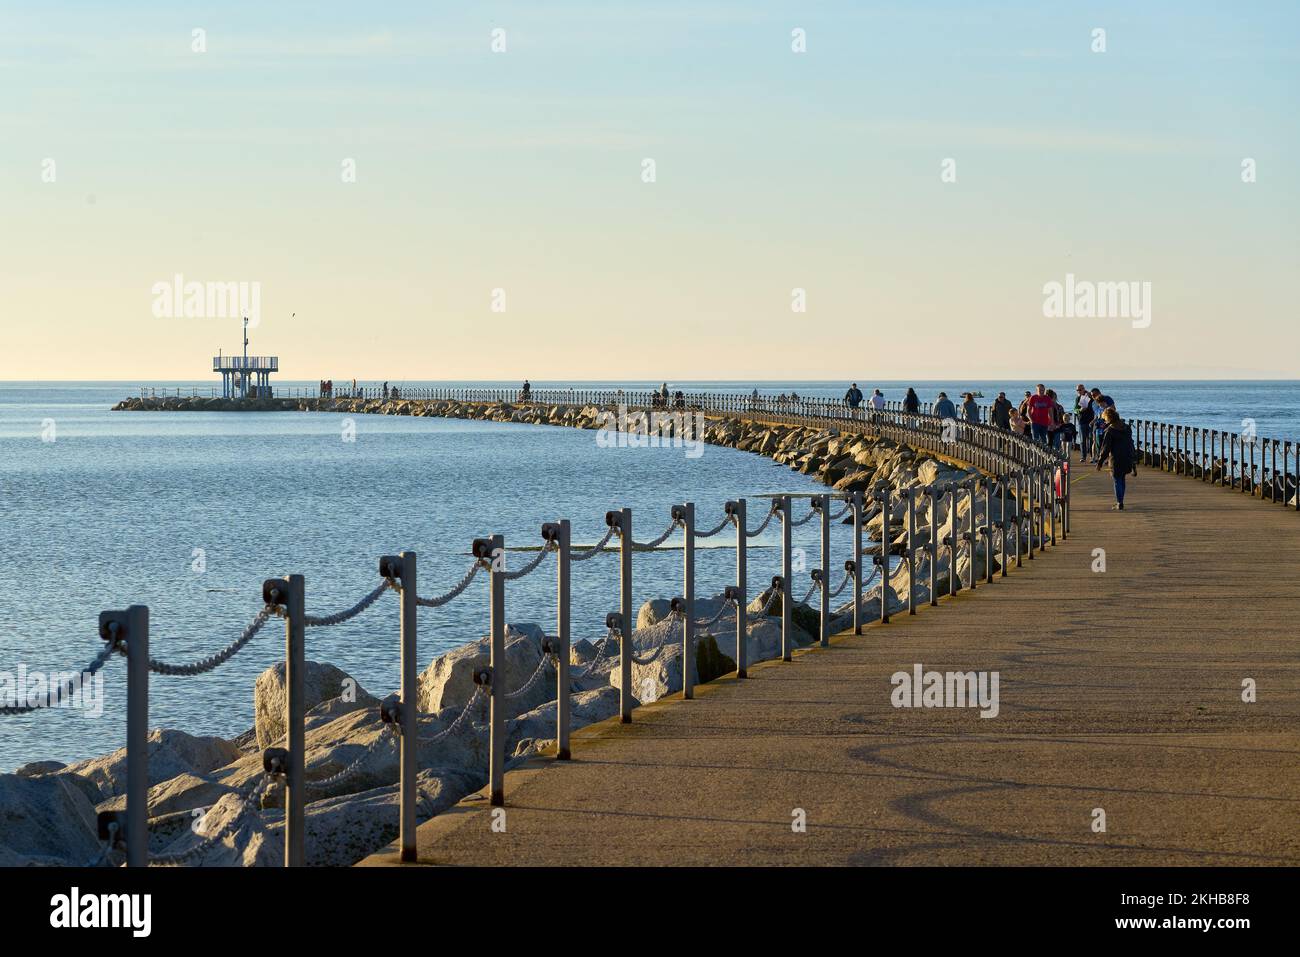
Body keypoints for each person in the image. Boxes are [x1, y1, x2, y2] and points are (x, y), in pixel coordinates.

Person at [1096, 407, 1137, 510]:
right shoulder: (1127, 428)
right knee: (1122, 479)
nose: (1104, 421)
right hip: (1127, 456)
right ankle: (1120, 501)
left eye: (1105, 419)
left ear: (1108, 418)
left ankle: (1119, 502)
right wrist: (1133, 459)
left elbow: (1106, 448)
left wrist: (1100, 462)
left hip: (1116, 458)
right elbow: (1130, 443)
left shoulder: (1110, 430)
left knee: (1117, 480)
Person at [1073, 384, 1095, 462]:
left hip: (1091, 421)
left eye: (1080, 390)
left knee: (1091, 439)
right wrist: (1080, 410)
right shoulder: (1078, 398)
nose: (1078, 391)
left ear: (1084, 389)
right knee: (1082, 440)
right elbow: (1075, 409)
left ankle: (1092, 456)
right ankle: (1083, 457)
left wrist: (1091, 397)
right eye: (1077, 390)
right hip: (1082, 421)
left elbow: (1096, 404)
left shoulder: (1090, 396)